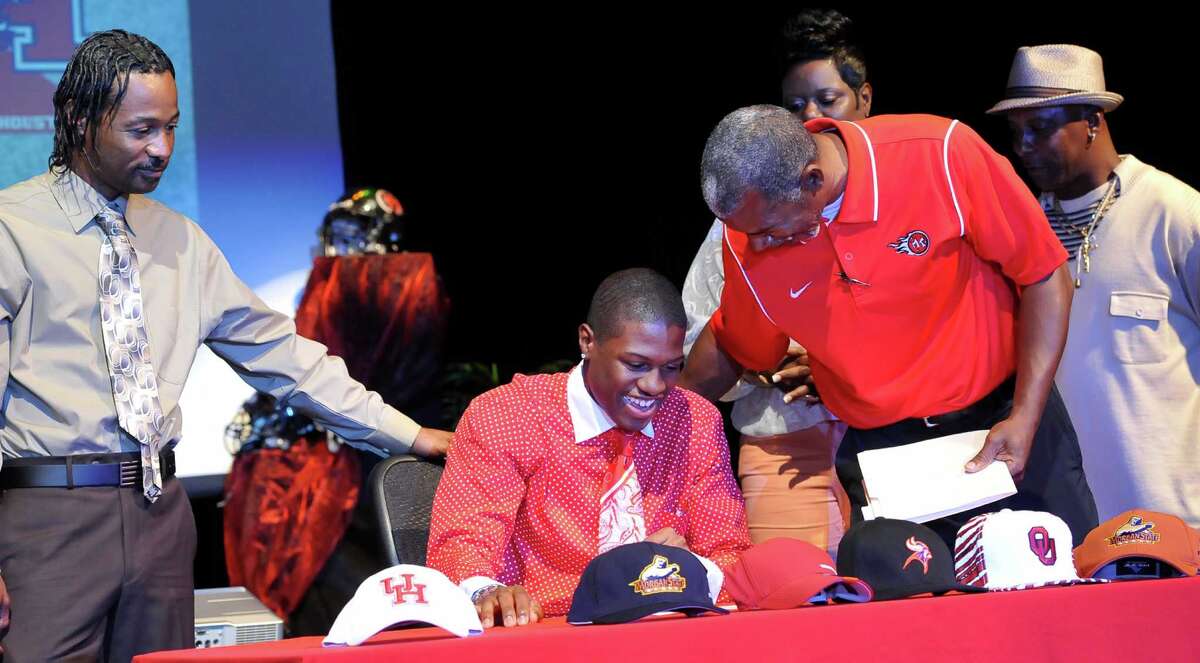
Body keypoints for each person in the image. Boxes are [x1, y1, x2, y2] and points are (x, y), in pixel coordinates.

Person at [0, 30, 449, 661]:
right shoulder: (11, 230)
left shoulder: (179, 240)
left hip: (160, 517)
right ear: (79, 121)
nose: (161, 149)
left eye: (171, 128)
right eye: (140, 130)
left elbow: (286, 358)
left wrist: (409, 435)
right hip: (49, 517)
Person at [682, 104, 1099, 549]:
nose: (758, 244)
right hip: (886, 456)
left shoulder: (938, 153)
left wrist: (1025, 416)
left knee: (1063, 597)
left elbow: (1042, 273)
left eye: (769, 229)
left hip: (1003, 422)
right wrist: (665, 414)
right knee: (914, 617)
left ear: (812, 180)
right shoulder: (746, 236)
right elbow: (738, 345)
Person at [427, 268, 750, 627]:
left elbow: (731, 553)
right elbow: (461, 543)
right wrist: (485, 591)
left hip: (663, 627)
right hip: (546, 627)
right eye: (636, 364)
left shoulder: (694, 421)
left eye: (671, 368)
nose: (656, 385)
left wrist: (688, 569)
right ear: (587, 341)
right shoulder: (511, 415)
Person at [683, 9, 870, 553]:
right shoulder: (744, 214)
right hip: (782, 441)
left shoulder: (901, 199)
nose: (808, 116)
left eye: (827, 100)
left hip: (898, 433)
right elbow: (698, 332)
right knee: (797, 609)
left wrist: (842, 365)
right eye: (794, 106)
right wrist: (761, 359)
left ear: (865, 99)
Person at [990, 44, 1200, 527]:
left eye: (1040, 129)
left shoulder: (1173, 214)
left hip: (1171, 514)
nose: (1023, 147)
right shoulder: (1018, 233)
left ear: (1092, 120)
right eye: (1016, 133)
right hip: (1064, 521)